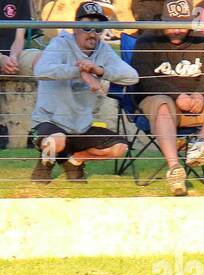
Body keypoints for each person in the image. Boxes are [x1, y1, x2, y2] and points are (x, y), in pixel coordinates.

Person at [29, 2, 138, 183]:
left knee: (119, 147)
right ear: (75, 28)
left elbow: (132, 76)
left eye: (98, 28)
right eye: (87, 27)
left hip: (81, 127)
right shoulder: (60, 43)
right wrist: (79, 71)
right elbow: (41, 70)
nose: (93, 33)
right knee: (56, 141)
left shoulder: (103, 50)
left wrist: (98, 70)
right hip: (49, 123)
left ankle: (74, 160)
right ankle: (45, 163)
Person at [131, 0, 204, 195]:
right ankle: (175, 168)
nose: (177, 31)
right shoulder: (146, 40)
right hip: (161, 104)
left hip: (196, 104)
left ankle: (199, 145)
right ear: (162, 21)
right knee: (161, 104)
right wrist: (177, 96)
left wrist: (200, 95)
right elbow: (144, 80)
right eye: (172, 25)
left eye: (182, 26)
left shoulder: (203, 40)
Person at [0, 0, 32, 151]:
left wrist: (13, 57)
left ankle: (41, 129)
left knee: (41, 62)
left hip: (15, 55)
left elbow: (19, 38)